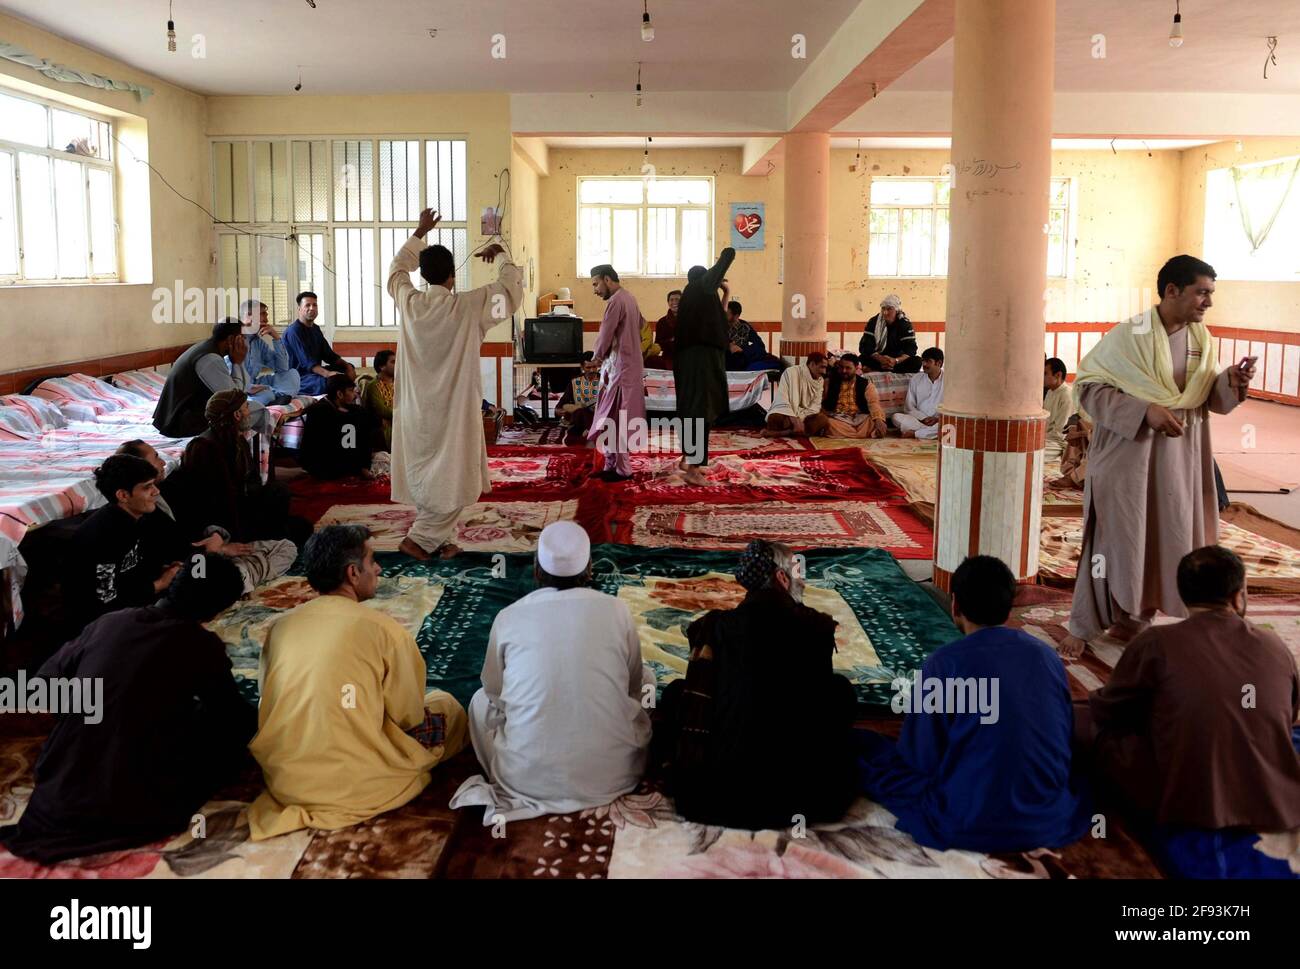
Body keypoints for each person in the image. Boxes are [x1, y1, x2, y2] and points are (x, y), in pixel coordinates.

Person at [0, 555, 256, 864]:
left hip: (60, 788)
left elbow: (43, 685)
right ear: (219, 608)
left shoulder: (109, 622)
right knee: (229, 738)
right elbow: (232, 720)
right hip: (133, 806)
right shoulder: (201, 645)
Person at [1064, 255, 1256, 656]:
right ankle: (1084, 624)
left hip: (1180, 460)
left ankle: (1137, 617)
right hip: (1128, 456)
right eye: (1202, 292)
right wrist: (1143, 411)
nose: (1208, 302)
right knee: (1114, 539)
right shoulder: (1128, 336)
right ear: (1172, 290)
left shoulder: (1202, 341)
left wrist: (1231, 383)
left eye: (1211, 294)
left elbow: (1206, 400)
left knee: (1164, 537)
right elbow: (1090, 388)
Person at [856, 555, 1090, 852]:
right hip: (1046, 818)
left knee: (869, 755)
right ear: (1009, 605)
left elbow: (920, 758)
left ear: (955, 606)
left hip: (968, 821)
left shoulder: (944, 664)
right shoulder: (1046, 656)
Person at [248, 525, 468, 840]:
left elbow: (266, 699)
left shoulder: (280, 626)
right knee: (447, 706)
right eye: (372, 560)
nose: (378, 568)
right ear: (353, 573)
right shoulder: (385, 630)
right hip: (359, 783)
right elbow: (408, 716)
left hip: (287, 781)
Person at [1079, 546, 1300, 831]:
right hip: (1274, 800)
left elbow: (1110, 710)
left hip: (1183, 803)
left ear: (1184, 596)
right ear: (1238, 594)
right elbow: (1290, 716)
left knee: (1079, 722)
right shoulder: (1274, 645)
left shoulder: (1156, 642)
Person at [450, 521, 653, 822]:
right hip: (616, 775)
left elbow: (494, 690)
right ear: (590, 569)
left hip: (524, 779)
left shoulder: (509, 616)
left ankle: (522, 759)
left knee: (480, 701)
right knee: (648, 678)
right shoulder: (616, 610)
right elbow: (635, 683)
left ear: (536, 570)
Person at [655, 540, 858, 830]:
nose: (802, 580)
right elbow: (818, 703)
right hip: (803, 798)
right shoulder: (815, 627)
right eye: (796, 572)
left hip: (715, 798)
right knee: (840, 692)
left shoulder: (714, 627)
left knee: (677, 693)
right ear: (781, 577)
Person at [387, 208, 522, 560]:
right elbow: (509, 292)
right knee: (454, 476)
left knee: (428, 470)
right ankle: (420, 539)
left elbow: (396, 272)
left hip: (417, 410)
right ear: (452, 276)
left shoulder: (409, 301)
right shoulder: (466, 307)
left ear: (424, 274)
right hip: (454, 411)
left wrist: (419, 231)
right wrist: (501, 254)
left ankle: (437, 536)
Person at [116, 440, 296, 596]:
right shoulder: (137, 518)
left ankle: (237, 577)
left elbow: (198, 523)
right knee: (205, 582)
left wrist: (216, 536)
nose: (163, 462)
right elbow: (181, 563)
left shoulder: (166, 491)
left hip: (203, 557)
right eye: (156, 458)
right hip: (194, 570)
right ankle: (237, 580)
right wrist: (215, 552)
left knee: (288, 544)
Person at [171, 389, 311, 547]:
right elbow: (218, 498)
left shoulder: (238, 439)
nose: (249, 412)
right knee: (296, 529)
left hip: (243, 504)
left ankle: (273, 532)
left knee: (283, 498)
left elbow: (251, 479)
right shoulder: (204, 448)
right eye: (246, 408)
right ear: (237, 415)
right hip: (222, 518)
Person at [65, 455, 182, 633]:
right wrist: (159, 584)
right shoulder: (100, 537)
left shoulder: (147, 514)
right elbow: (106, 599)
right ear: (123, 495)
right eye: (147, 487)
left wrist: (192, 566)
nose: (156, 492)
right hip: (106, 625)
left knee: (204, 576)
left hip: (144, 602)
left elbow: (181, 545)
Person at [674, 248, 736, 486]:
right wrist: (726, 253)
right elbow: (727, 258)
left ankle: (688, 459)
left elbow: (719, 317)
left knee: (694, 409)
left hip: (697, 361)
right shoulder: (701, 287)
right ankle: (693, 468)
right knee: (701, 411)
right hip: (700, 363)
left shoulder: (698, 299)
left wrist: (726, 292)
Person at [153, 318, 271, 437]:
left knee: (253, 408)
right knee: (258, 411)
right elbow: (235, 398)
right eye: (241, 338)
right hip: (180, 424)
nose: (244, 343)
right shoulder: (210, 360)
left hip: (185, 416)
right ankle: (252, 451)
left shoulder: (208, 349)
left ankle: (249, 449)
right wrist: (238, 363)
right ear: (231, 339)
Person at [587, 264, 646, 482]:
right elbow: (641, 324)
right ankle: (612, 465)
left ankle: (623, 470)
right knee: (613, 416)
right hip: (626, 365)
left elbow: (605, 334)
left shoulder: (615, 301)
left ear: (607, 279)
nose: (595, 290)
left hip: (621, 368)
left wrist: (595, 358)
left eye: (596, 284)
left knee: (618, 419)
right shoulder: (630, 298)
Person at [298, 374, 384, 480]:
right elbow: (324, 445)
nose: (355, 395)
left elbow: (370, 428)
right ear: (339, 394)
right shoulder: (319, 411)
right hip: (323, 462)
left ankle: (360, 467)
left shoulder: (354, 409)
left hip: (345, 459)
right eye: (351, 391)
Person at [283, 291, 355, 395]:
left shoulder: (315, 329)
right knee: (329, 382)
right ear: (299, 309)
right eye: (307, 305)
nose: (312, 308)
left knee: (346, 368)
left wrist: (348, 367)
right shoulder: (294, 331)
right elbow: (307, 362)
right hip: (299, 377)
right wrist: (328, 374)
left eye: (314, 305)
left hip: (314, 373)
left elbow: (329, 356)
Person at [235, 300, 300, 405]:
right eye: (263, 314)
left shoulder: (259, 343)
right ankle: (272, 397)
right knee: (267, 395)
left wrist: (276, 338)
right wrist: (251, 388)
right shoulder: (235, 340)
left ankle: (275, 396)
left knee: (292, 375)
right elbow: (231, 378)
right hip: (242, 389)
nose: (267, 319)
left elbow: (282, 368)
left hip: (257, 385)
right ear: (248, 316)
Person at [762, 352, 829, 438]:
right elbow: (782, 399)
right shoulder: (791, 372)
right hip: (787, 413)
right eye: (822, 367)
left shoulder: (820, 380)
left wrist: (800, 419)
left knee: (822, 419)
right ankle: (795, 432)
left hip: (804, 417)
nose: (824, 371)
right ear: (812, 364)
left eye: (825, 368)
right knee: (775, 417)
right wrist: (794, 419)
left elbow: (815, 406)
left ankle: (785, 433)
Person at [821, 352, 887, 438]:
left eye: (848, 368)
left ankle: (849, 434)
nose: (844, 371)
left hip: (860, 418)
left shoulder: (866, 384)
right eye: (841, 367)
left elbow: (873, 403)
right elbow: (820, 402)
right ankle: (860, 434)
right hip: (838, 418)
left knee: (874, 421)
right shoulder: (828, 382)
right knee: (827, 423)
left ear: (856, 368)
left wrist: (878, 419)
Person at [859, 294, 921, 373]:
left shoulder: (904, 323)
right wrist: (881, 359)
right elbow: (866, 346)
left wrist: (896, 360)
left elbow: (911, 348)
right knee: (862, 358)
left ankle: (884, 369)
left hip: (897, 360)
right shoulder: (873, 322)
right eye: (883, 309)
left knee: (917, 361)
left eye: (889, 309)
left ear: (896, 310)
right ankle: (887, 368)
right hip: (878, 358)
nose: (885, 312)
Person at [892, 347, 945, 440]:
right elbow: (909, 407)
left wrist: (938, 419)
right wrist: (924, 418)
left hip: (940, 421)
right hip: (919, 421)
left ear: (939, 363)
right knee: (896, 417)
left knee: (951, 425)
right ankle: (930, 433)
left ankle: (916, 433)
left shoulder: (949, 380)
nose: (924, 364)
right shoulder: (916, 379)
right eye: (923, 361)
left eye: (928, 361)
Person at [724, 301, 783, 372]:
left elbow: (760, 346)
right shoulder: (720, 325)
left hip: (741, 360)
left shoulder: (745, 327)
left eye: (726, 314)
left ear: (736, 316)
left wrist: (741, 349)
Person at [558, 352, 601, 443]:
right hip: (580, 417)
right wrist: (563, 410)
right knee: (580, 412)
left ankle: (589, 432)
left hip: (599, 416)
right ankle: (588, 432)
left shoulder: (604, 381)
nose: (592, 370)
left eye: (594, 367)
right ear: (582, 368)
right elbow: (561, 405)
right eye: (588, 367)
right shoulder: (575, 382)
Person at [360, 348, 396, 450]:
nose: (397, 365)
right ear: (381, 366)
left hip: (400, 421)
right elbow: (382, 410)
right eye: (393, 362)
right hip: (384, 429)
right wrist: (404, 414)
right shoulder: (373, 386)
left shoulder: (399, 383)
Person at [1043, 357, 1075, 461]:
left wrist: (1040, 438)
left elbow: (1060, 432)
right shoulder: (1050, 392)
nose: (1042, 377)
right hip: (1047, 438)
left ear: (1058, 375)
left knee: (1033, 453)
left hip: (1059, 443)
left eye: (1045, 374)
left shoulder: (1067, 395)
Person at [645, 289, 680, 368]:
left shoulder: (689, 320)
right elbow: (658, 344)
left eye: (677, 299)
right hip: (668, 358)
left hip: (685, 358)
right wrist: (671, 341)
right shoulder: (662, 322)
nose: (674, 302)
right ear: (668, 303)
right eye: (671, 300)